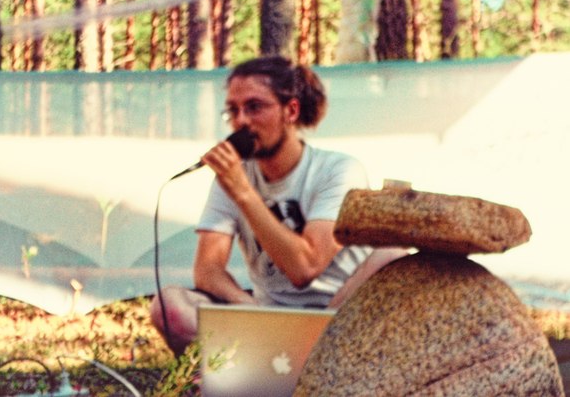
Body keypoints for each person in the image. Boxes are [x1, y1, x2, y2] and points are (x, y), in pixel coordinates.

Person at [150, 55, 405, 356]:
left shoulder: (337, 170)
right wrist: (251, 308)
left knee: (393, 255)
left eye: (254, 107)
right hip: (268, 317)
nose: (241, 121)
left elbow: (305, 268)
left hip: (338, 314)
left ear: (291, 110)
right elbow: (207, 271)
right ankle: (253, 366)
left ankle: (319, 359)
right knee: (169, 306)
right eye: (233, 110)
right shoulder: (232, 178)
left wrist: (244, 193)